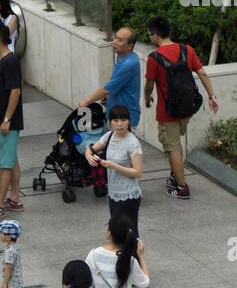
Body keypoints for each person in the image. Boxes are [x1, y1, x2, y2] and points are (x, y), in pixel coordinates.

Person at [143, 16, 219, 200]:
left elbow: (149, 84)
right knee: (176, 144)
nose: (149, 38)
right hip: (187, 107)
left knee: (173, 147)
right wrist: (212, 96)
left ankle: (182, 187)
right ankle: (174, 176)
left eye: (149, 35)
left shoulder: (154, 58)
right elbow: (202, 73)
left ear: (155, 35)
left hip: (167, 111)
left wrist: (146, 98)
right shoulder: (187, 50)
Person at [84, 104, 144, 236]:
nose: (120, 124)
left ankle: (136, 256)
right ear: (110, 122)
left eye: (123, 120)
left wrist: (113, 166)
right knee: (117, 232)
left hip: (129, 194)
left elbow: (138, 172)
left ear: (128, 121)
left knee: (130, 232)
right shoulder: (109, 136)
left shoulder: (133, 143)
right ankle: (123, 256)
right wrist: (88, 155)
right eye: (116, 121)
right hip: (113, 193)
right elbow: (91, 148)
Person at [0, 22, 25, 217]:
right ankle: (15, 198)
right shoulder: (4, 61)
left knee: (5, 164)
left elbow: (15, 91)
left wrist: (6, 119)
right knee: (11, 159)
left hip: (6, 120)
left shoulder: (9, 62)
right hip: (2, 118)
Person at [80, 28, 141, 128]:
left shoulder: (129, 64)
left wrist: (86, 101)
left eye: (120, 40)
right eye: (115, 37)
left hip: (123, 120)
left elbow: (107, 89)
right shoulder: (122, 56)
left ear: (130, 46)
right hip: (116, 115)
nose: (115, 42)